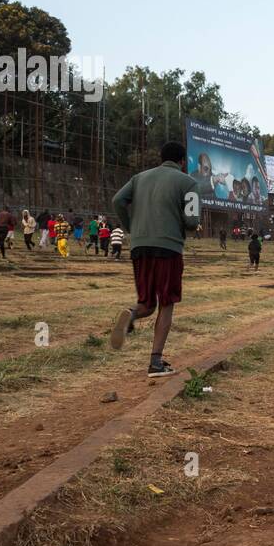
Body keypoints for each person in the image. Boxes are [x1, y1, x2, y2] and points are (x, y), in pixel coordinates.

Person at [108, 141, 201, 378]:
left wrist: (130, 226)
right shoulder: (188, 183)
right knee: (166, 303)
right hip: (168, 248)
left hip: (140, 247)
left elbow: (118, 200)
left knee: (147, 304)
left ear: (162, 158)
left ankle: (131, 313)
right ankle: (155, 363)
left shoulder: (139, 178)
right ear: (182, 162)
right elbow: (192, 221)